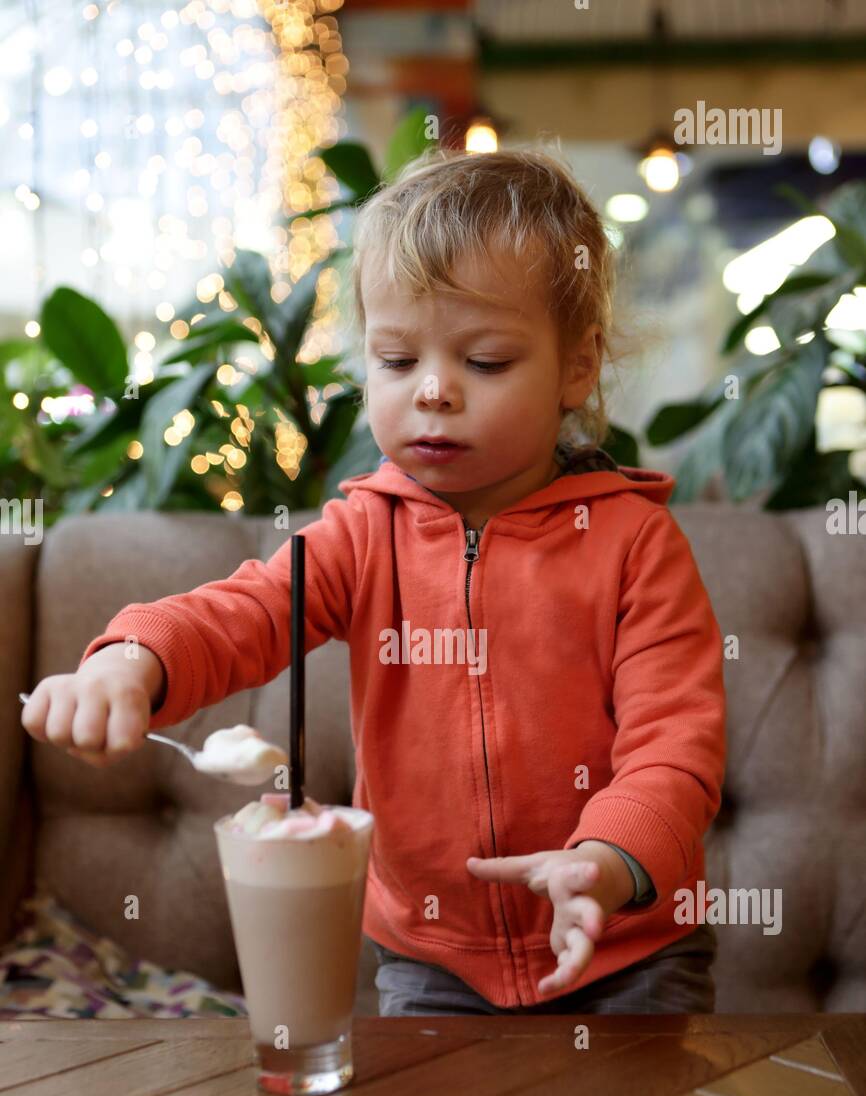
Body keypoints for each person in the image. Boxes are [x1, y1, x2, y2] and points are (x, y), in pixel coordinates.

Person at [20, 148, 726, 1017]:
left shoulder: (635, 545)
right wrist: (131, 660)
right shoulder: (364, 536)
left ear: (577, 369)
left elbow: (676, 747)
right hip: (434, 964)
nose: (433, 390)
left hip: (628, 954)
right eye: (396, 361)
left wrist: (610, 860)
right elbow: (239, 614)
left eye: (488, 362)